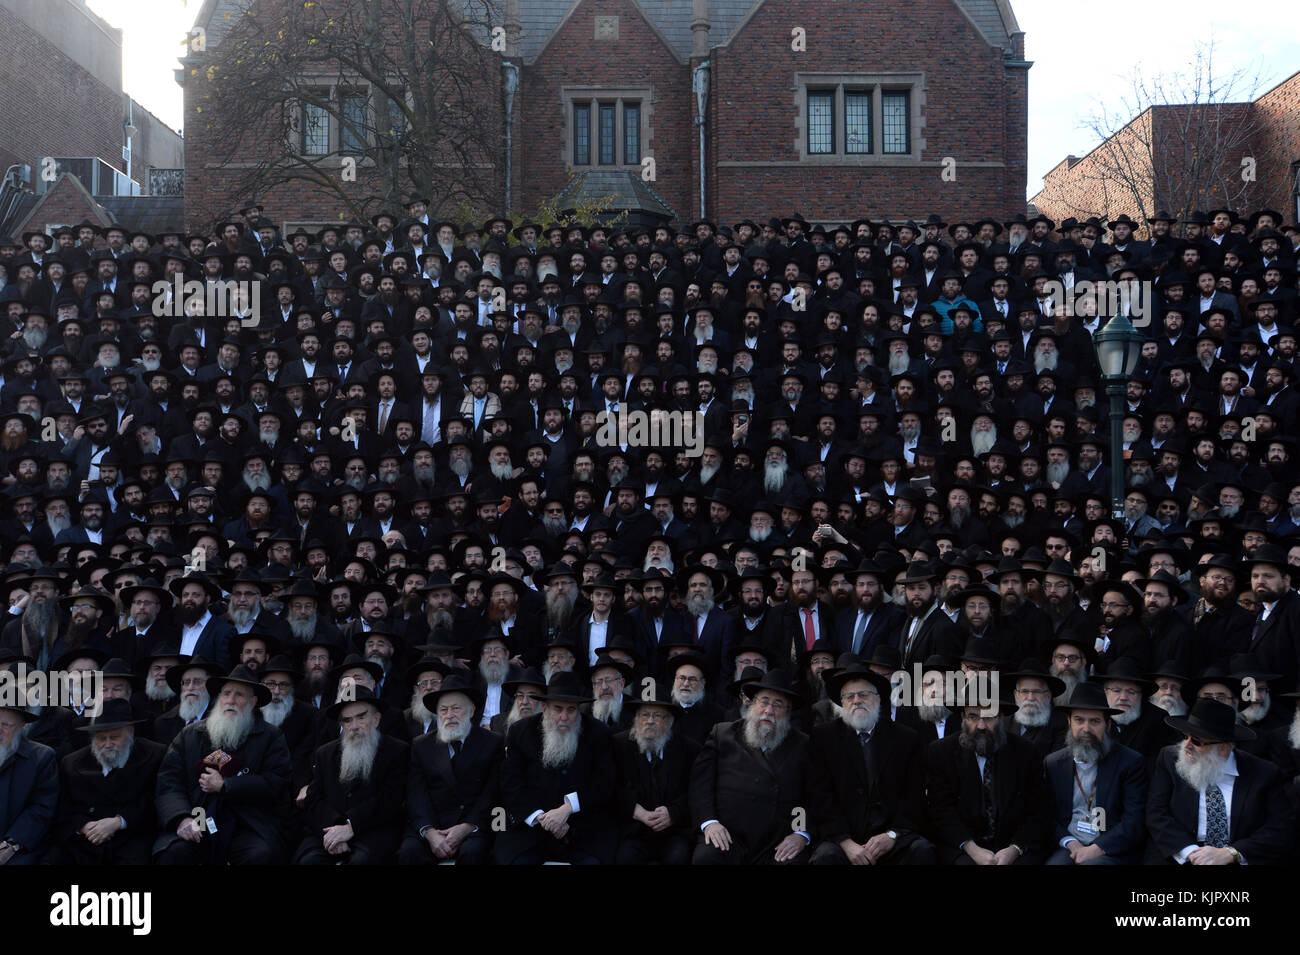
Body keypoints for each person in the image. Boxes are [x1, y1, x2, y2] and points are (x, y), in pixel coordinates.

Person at [153, 665, 293, 864]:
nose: (231, 700)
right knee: (174, 853)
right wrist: (182, 818)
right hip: (197, 816)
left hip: (247, 821)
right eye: (226, 693)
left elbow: (276, 783)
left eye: (239, 695)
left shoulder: (270, 736)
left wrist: (226, 785)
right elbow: (169, 782)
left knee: (259, 855)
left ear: (253, 702)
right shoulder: (191, 734)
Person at [809, 664, 934, 864]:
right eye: (849, 697)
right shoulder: (823, 738)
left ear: (878, 698)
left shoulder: (905, 738)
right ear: (842, 703)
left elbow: (913, 797)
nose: (856, 700)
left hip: (891, 837)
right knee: (825, 857)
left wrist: (892, 835)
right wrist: (845, 842)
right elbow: (820, 796)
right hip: (843, 839)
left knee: (921, 850)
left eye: (863, 694)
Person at [1146, 698, 1295, 865]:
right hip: (1182, 855)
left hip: (1235, 857)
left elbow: (1280, 828)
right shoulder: (1170, 758)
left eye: (1196, 741)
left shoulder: (1263, 773)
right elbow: (1156, 813)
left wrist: (1232, 853)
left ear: (1223, 748)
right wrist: (1191, 853)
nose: (1186, 745)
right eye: (1185, 736)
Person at [690, 670, 812, 865]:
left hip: (777, 841)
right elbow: (700, 785)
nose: (769, 711)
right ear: (752, 704)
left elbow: (814, 795)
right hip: (728, 835)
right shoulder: (722, 734)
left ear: (788, 712)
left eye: (778, 705)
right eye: (763, 702)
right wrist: (709, 823)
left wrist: (800, 833)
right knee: (706, 858)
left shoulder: (802, 744)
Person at [495, 671, 617, 864]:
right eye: (557, 709)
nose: (564, 717)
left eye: (571, 710)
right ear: (544, 708)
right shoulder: (520, 732)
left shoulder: (598, 733)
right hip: (532, 828)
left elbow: (604, 783)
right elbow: (511, 783)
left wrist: (568, 808)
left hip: (581, 828)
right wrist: (541, 818)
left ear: (579, 710)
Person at [925, 699, 1048, 864]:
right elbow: (941, 810)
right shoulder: (941, 752)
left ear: (1001, 717)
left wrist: (1015, 849)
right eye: (973, 717)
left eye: (989, 717)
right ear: (963, 717)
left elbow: (1037, 810)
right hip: (963, 845)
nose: (981, 726)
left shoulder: (1026, 752)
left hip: (1014, 845)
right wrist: (972, 849)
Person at [295, 687, 409, 864]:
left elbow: (391, 799)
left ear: (376, 719)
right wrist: (336, 830)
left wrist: (351, 825)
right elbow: (314, 800)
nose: (354, 726)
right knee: (309, 861)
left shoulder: (397, 750)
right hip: (328, 830)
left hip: (374, 830)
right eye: (347, 721)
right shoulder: (325, 753)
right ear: (341, 725)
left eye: (361, 717)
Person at [400, 672, 504, 865]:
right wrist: (430, 832)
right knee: (409, 852)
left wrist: (466, 827)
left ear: (472, 711)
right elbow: (416, 794)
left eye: (456, 709)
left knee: (473, 853)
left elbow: (492, 792)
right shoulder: (421, 745)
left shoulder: (492, 742)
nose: (449, 716)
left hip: (473, 825)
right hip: (433, 826)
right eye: (444, 710)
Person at [48, 697, 166, 865]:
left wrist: (119, 821)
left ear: (130, 731)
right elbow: (63, 807)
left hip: (131, 836)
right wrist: (83, 826)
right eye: (102, 738)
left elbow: (156, 800)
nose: (108, 744)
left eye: (115, 737)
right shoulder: (72, 763)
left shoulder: (154, 755)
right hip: (85, 840)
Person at [1043, 683, 1147, 865]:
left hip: (1111, 849)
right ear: (1069, 722)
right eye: (1079, 720)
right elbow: (1047, 816)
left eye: (1095, 721)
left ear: (1107, 725)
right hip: (1069, 845)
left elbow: (1133, 820)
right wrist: (1071, 843)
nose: (1086, 728)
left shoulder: (1130, 762)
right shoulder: (1053, 763)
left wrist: (1097, 848)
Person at [610, 682, 699, 865]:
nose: (650, 720)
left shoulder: (689, 750)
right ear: (636, 719)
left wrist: (673, 813)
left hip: (675, 832)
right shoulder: (618, 746)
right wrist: (635, 810)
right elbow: (609, 787)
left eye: (657, 715)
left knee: (679, 857)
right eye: (645, 715)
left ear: (670, 721)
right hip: (634, 831)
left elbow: (697, 792)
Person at [0, 702, 58, 865]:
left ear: (22, 726)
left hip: (16, 845)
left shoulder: (41, 757)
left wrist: (11, 845)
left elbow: (41, 809)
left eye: (6, 725)